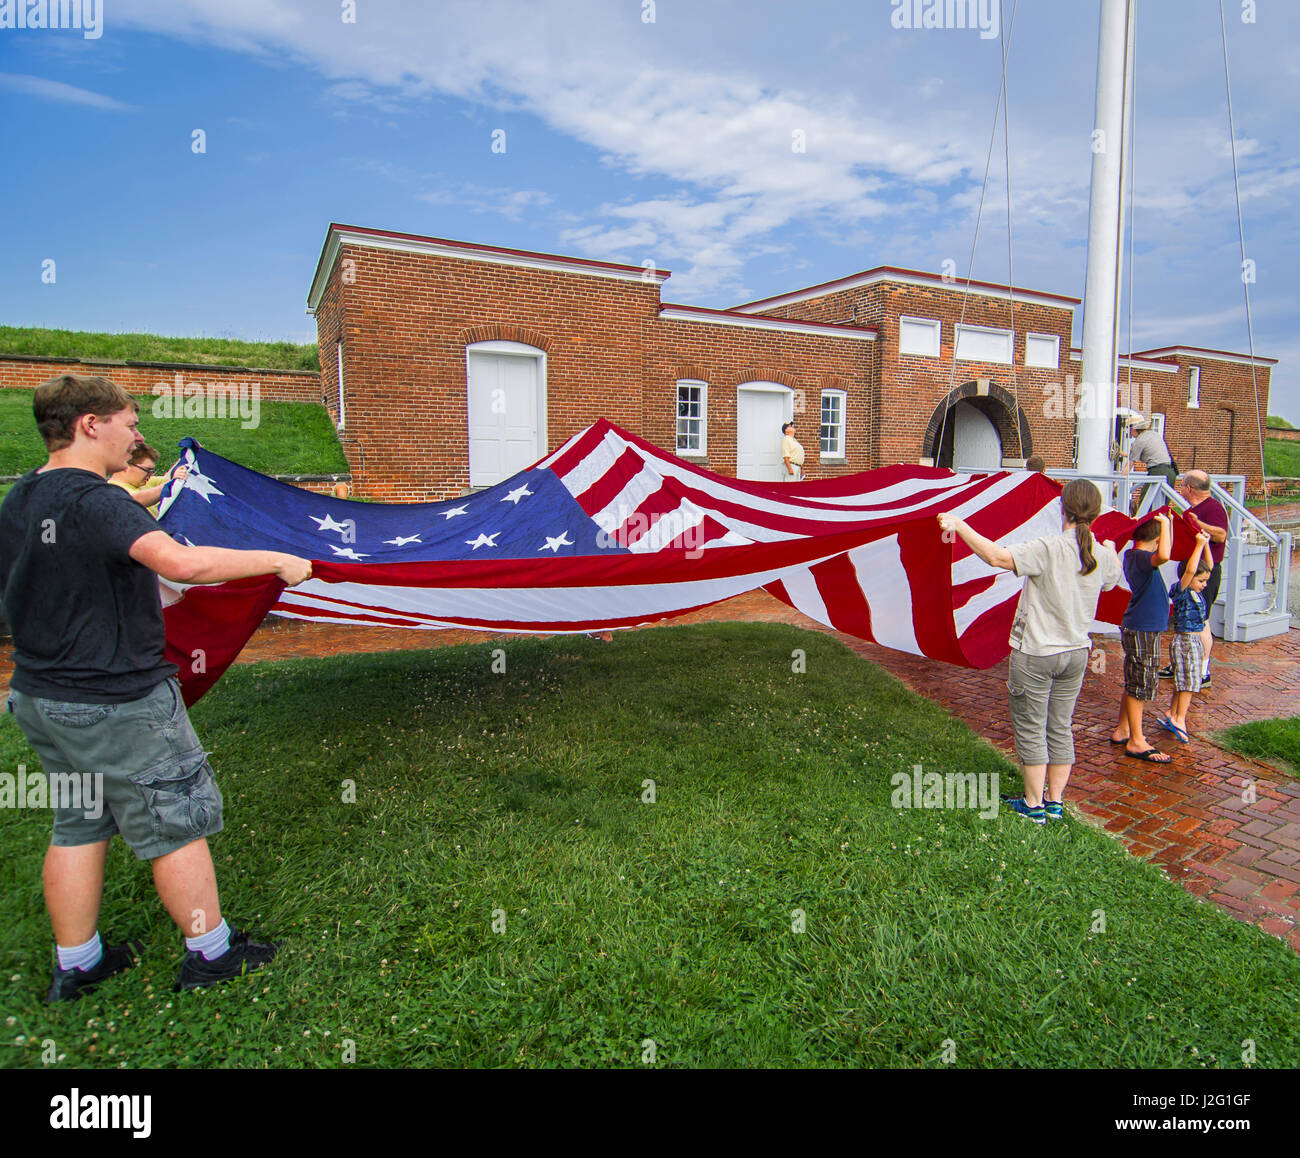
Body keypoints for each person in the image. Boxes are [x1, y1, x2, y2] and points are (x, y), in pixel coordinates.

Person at [0, 374, 313, 1002]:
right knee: (176, 819)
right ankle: (212, 953)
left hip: (40, 695)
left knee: (78, 823)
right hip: (116, 699)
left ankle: (78, 963)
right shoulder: (96, 499)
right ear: (92, 424)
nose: (138, 434)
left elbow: (98, 524)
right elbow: (182, 565)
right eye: (131, 422)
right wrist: (276, 559)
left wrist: (156, 494)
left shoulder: (26, 495)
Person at [937, 479, 1122, 824]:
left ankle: (1033, 805)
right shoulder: (1102, 553)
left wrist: (960, 525)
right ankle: (1055, 802)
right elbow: (1110, 579)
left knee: (1032, 727)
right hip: (1077, 653)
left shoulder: (1049, 547)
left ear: (1061, 509)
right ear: (1095, 514)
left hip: (1036, 652)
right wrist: (1108, 547)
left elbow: (995, 557)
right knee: (1060, 727)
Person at [1109, 513, 1174, 764]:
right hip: (1143, 629)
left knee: (1134, 678)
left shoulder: (1133, 555)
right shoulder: (1144, 558)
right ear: (1157, 538)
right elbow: (1165, 555)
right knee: (1140, 683)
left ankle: (1123, 729)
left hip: (1140, 626)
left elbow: (1164, 550)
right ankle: (1137, 740)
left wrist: (1162, 526)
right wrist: (1166, 525)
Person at [1161, 470, 1229, 688]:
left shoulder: (1213, 507)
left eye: (1182, 486)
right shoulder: (1194, 509)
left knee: (1202, 620)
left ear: (1189, 488)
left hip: (1204, 572)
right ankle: (1180, 664)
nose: (1181, 490)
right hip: (1190, 570)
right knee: (1184, 619)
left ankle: (1203, 671)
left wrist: (1199, 524)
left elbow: (1220, 535)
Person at [1159, 531, 1213, 743]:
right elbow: (1192, 569)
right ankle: (1180, 718)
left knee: (1184, 680)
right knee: (1189, 682)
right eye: (1201, 581)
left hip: (1193, 641)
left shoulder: (1197, 591)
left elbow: (1208, 565)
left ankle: (1173, 713)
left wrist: (1206, 544)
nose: (1204, 584)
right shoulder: (1182, 590)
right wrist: (1198, 544)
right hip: (1185, 641)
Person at [108, 442, 188, 517]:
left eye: (152, 470)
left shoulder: (143, 482)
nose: (151, 474)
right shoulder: (112, 489)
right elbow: (135, 500)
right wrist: (171, 483)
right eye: (147, 470)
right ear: (125, 466)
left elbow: (167, 478)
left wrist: (186, 457)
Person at [1123, 416, 1177, 501]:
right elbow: (1152, 453)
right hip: (1171, 472)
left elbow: (1129, 465)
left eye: (1129, 429)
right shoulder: (1154, 434)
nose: (1129, 432)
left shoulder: (1139, 441)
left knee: (1146, 502)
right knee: (1162, 506)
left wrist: (1117, 483)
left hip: (1158, 472)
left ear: (1133, 429)